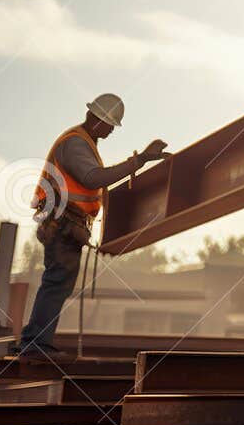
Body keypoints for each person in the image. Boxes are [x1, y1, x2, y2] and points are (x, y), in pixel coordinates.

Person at [15, 94, 168, 362]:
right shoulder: (75, 143)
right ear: (97, 120)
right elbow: (92, 178)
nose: (111, 131)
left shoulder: (86, 144)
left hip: (68, 225)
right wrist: (139, 160)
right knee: (56, 282)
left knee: (59, 284)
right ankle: (34, 344)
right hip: (61, 223)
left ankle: (37, 342)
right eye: (110, 125)